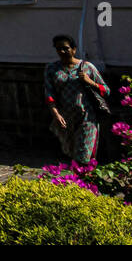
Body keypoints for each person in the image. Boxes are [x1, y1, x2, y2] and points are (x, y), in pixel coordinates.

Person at [44, 34, 110, 164]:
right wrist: (56, 114)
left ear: (74, 49)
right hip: (66, 118)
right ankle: (80, 182)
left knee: (84, 156)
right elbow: (49, 94)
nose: (62, 51)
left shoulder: (87, 67)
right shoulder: (51, 69)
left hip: (87, 117)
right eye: (58, 49)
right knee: (72, 154)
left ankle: (85, 180)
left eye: (65, 48)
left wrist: (90, 82)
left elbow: (106, 90)